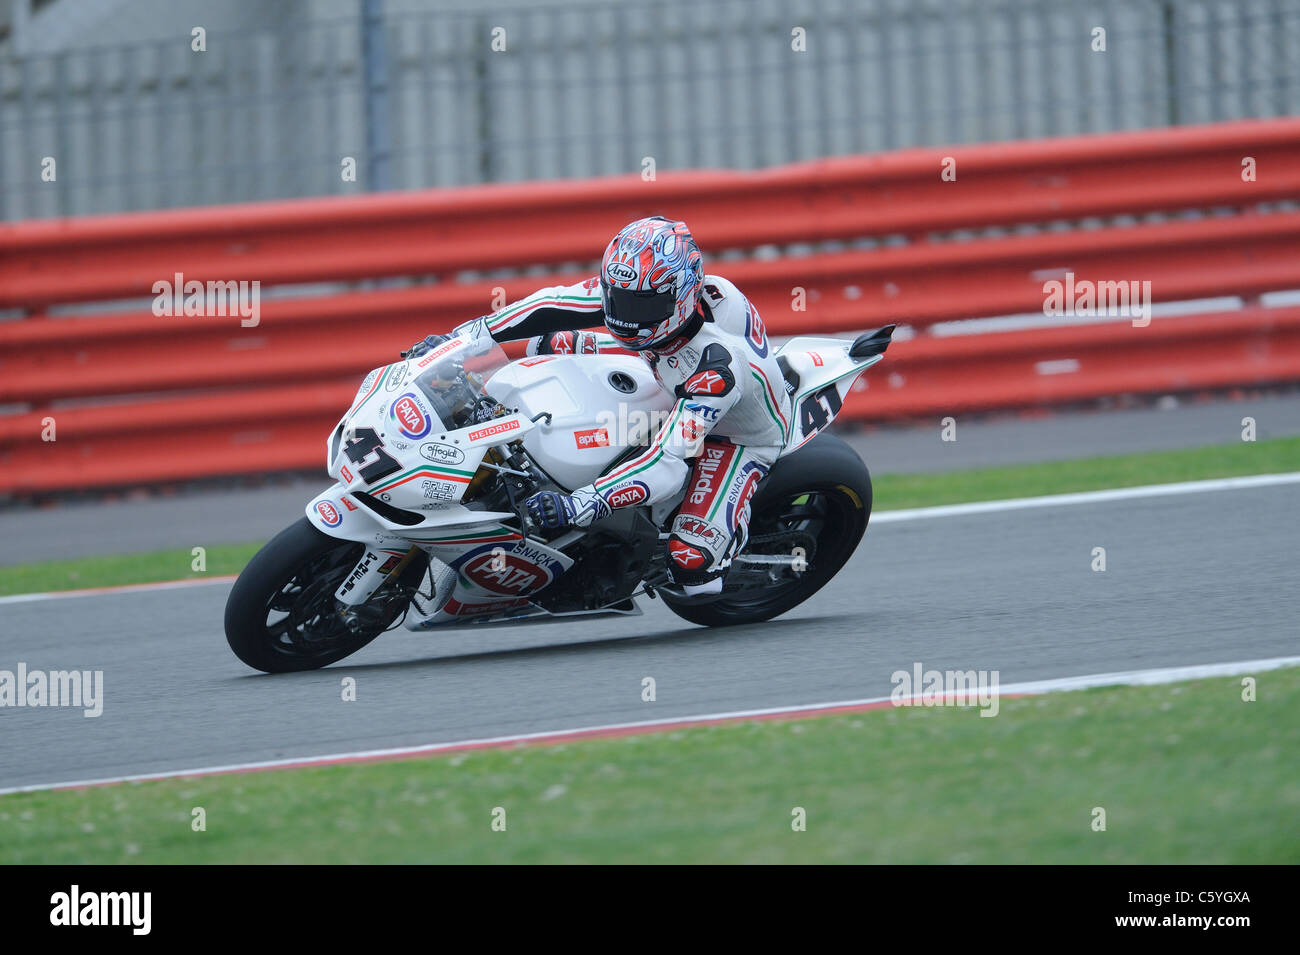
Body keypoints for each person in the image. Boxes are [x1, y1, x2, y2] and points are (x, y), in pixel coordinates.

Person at [408, 216, 791, 595]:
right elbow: (551, 303)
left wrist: (580, 505)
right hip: (662, 364)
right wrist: (457, 341)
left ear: (683, 296)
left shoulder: (716, 372)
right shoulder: (651, 293)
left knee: (692, 566)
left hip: (737, 436)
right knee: (547, 342)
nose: (624, 317)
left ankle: (726, 546)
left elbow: (668, 463)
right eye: (616, 298)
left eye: (639, 306)